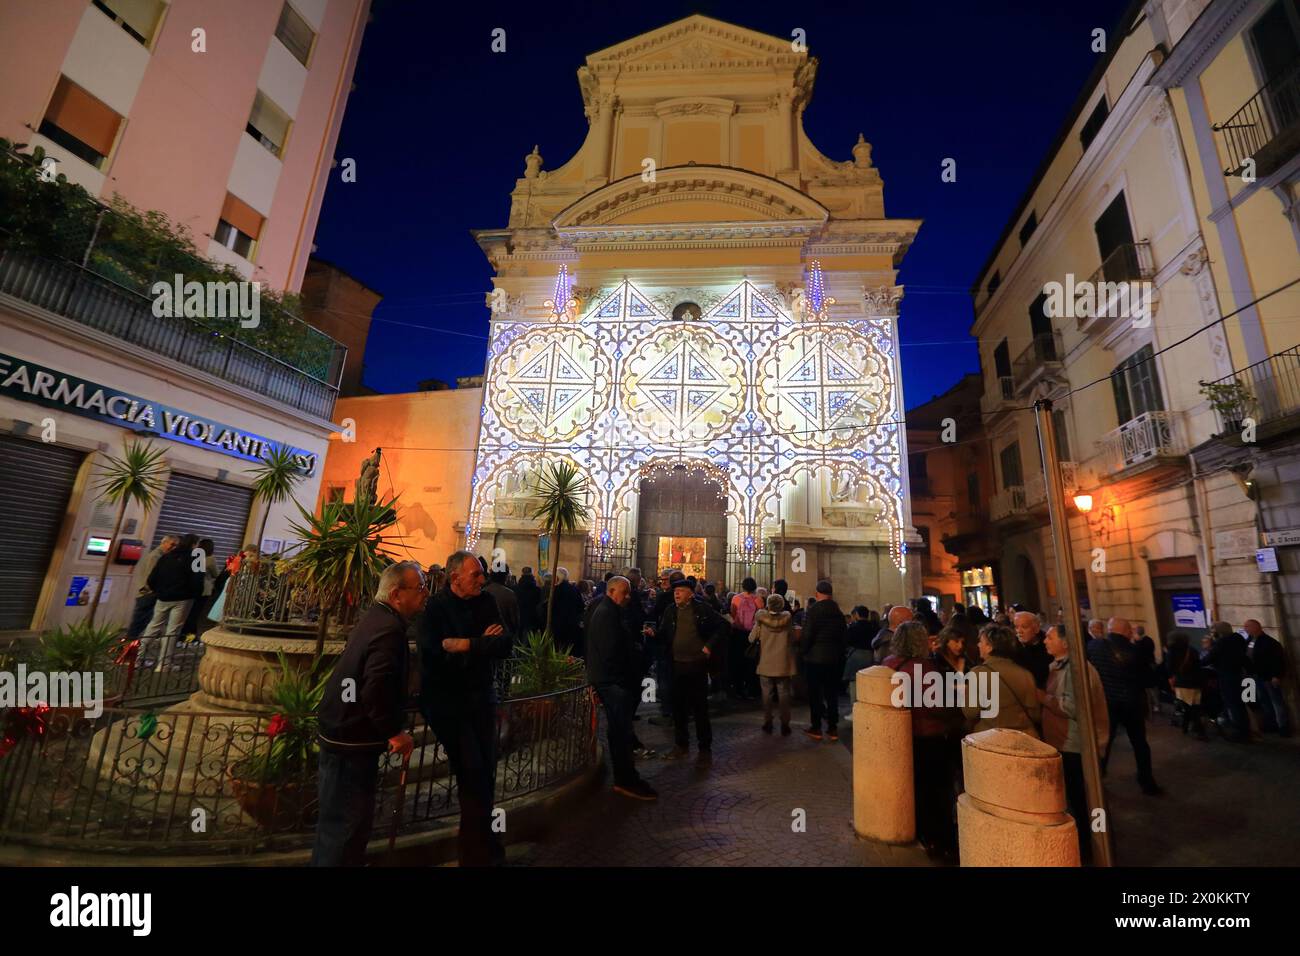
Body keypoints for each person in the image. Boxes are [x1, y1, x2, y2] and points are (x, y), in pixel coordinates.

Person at [312, 561, 424, 866]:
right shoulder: (388, 630)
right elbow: (375, 688)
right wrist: (393, 732)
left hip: (341, 733)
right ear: (397, 594)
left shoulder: (376, 618)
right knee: (347, 828)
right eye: (420, 588)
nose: (425, 594)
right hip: (351, 739)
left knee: (337, 825)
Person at [418, 550, 512, 866]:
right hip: (450, 703)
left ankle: (481, 851)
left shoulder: (486, 602)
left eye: (483, 573)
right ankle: (479, 856)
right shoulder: (436, 608)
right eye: (476, 575)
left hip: (482, 698)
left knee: (484, 775)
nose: (483, 579)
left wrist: (465, 644)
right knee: (473, 775)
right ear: (454, 577)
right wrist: (479, 644)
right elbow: (435, 657)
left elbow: (504, 644)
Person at [884, 620, 962, 858]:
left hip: (901, 736)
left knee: (915, 786)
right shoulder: (924, 670)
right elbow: (939, 707)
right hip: (930, 736)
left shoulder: (890, 664)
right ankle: (940, 839)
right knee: (936, 790)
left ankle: (919, 830)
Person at [1039, 624, 1108, 862]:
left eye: (1049, 637)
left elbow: (1072, 706)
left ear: (1065, 642)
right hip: (1066, 744)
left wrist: (1043, 698)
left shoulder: (1077, 670)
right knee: (1077, 801)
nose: (1045, 641)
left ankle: (1092, 851)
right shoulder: (1060, 667)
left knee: (1085, 802)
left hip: (1077, 746)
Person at [586, 576, 658, 800]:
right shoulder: (607, 614)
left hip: (613, 681)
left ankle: (627, 777)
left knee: (621, 732)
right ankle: (625, 780)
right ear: (611, 591)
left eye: (629, 592)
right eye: (624, 592)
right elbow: (610, 653)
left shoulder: (609, 610)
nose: (628, 597)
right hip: (614, 683)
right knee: (620, 732)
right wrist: (624, 678)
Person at [1088, 616, 1163, 794]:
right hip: (1132, 703)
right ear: (1127, 631)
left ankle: (1097, 778)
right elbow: (1149, 679)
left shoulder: (1094, 647)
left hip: (1107, 704)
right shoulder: (1136, 651)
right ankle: (1146, 780)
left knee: (1104, 743)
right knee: (1139, 743)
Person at [656, 577, 726, 762]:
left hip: (696, 664)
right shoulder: (671, 611)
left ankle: (704, 748)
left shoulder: (702, 609)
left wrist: (709, 646)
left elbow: (721, 627)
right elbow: (664, 633)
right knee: (678, 708)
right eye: (675, 591)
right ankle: (681, 745)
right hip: (677, 664)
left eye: (680, 590)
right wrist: (654, 634)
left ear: (690, 593)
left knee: (699, 708)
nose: (676, 593)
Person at [140, 533, 204, 670]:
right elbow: (198, 580)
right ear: (194, 544)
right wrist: (194, 594)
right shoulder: (196, 558)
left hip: (162, 598)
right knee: (172, 630)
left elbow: (152, 578)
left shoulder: (167, 556)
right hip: (182, 599)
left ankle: (138, 658)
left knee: (153, 626)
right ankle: (164, 664)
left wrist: (159, 591)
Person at [964, 624, 1041, 737]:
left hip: (992, 739)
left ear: (990, 647)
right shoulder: (1025, 674)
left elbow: (970, 712)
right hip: (1022, 739)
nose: (978, 645)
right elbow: (1035, 714)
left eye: (981, 642)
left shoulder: (978, 673)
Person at [801, 580, 847, 741]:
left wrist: (803, 651)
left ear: (817, 593)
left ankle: (816, 727)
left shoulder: (813, 610)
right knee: (831, 694)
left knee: (815, 694)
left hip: (815, 658)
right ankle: (833, 728)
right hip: (833, 659)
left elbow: (807, 635)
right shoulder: (838, 612)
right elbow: (843, 636)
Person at [749, 592, 796, 735]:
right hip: (783, 662)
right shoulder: (787, 620)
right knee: (784, 694)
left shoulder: (761, 620)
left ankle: (767, 721)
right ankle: (785, 723)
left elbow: (751, 639)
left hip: (766, 661)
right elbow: (793, 638)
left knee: (766, 694)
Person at [1204, 621, 1250, 740]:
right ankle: (1245, 730)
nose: (1212, 634)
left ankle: (1240, 733)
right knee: (1240, 704)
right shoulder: (1238, 639)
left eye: (1213, 632)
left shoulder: (1222, 643)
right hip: (1240, 673)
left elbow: (1209, 658)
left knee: (1233, 704)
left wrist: (1209, 647)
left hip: (1227, 676)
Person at [1245, 619, 1291, 737]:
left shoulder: (1270, 643)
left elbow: (1278, 661)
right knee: (1264, 701)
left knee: (1277, 702)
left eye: (1248, 627)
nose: (1246, 629)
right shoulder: (1249, 640)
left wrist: (1276, 675)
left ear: (1256, 627)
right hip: (1256, 676)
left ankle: (1283, 727)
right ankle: (1271, 724)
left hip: (1269, 677)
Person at [127, 534, 179, 638]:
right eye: (172, 544)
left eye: (176, 545)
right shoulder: (155, 556)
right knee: (139, 621)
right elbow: (151, 577)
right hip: (148, 593)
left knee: (146, 620)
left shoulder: (162, 556)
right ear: (164, 542)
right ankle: (129, 644)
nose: (174, 547)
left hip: (151, 593)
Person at [1165, 631, 1207, 739]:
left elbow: (1170, 669)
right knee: (1194, 706)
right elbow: (1199, 665)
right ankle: (1188, 727)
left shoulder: (1171, 652)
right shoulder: (1192, 650)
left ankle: (1198, 730)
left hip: (1182, 682)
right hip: (1196, 682)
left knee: (1188, 707)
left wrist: (1171, 682)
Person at [728, 578, 763, 701]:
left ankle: (738, 688)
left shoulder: (736, 599)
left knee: (738, 661)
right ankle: (751, 689)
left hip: (738, 633)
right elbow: (760, 618)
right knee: (751, 662)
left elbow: (732, 616)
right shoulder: (758, 600)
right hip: (751, 634)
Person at [1013, 611, 1051, 690]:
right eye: (1016, 627)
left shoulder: (1048, 644)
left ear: (1036, 629)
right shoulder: (1012, 645)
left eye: (1024, 627)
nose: (1019, 631)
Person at [482, 561, 520, 641]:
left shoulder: (483, 591)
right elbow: (514, 620)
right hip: (504, 637)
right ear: (505, 576)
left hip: (485, 636)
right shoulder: (509, 594)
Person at [512, 566, 541, 635]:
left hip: (520, 617)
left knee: (519, 638)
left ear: (522, 574)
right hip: (533, 617)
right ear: (531, 574)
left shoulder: (515, 588)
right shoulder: (537, 589)